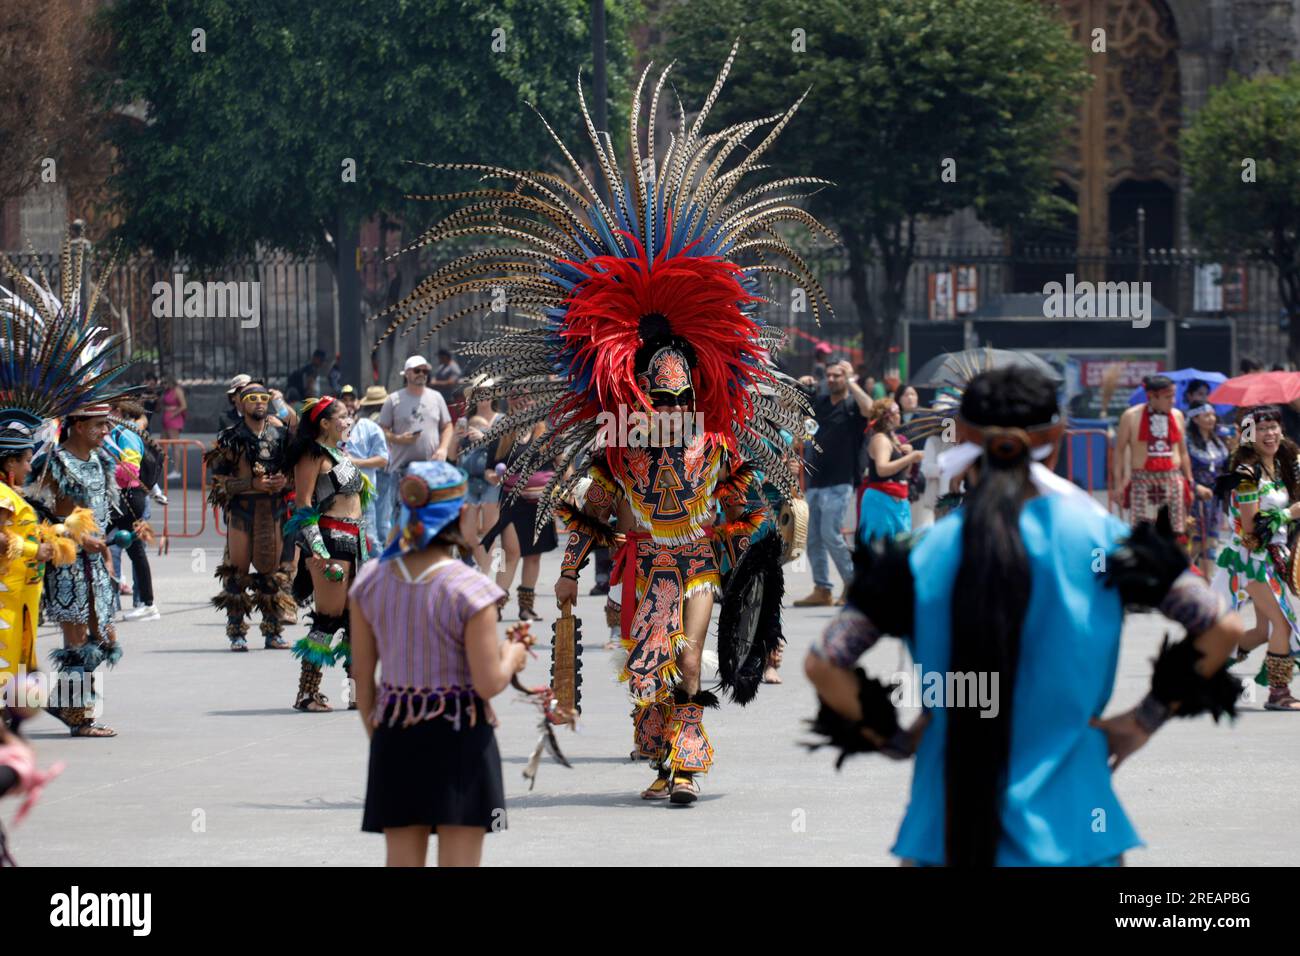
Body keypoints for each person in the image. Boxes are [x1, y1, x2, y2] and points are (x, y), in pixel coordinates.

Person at [377, 49, 828, 803]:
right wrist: (566, 570)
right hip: (646, 566)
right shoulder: (622, 446)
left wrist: (766, 538)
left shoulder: (715, 444)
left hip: (696, 566)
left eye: (681, 400)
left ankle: (683, 763)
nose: (673, 410)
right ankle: (662, 752)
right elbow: (593, 501)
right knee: (650, 664)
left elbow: (745, 501)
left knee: (688, 662)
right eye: (662, 398)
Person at [804, 367, 1245, 865]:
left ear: (964, 437)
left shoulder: (920, 553)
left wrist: (893, 738)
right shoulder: (1107, 542)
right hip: (1077, 832)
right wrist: (1142, 720)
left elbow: (824, 662)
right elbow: (1223, 626)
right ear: (1056, 441)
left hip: (944, 830)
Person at [350, 461, 528, 867]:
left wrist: (383, 740)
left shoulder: (369, 583)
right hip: (460, 737)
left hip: (395, 734)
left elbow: (363, 683)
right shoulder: (471, 589)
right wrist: (512, 655)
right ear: (462, 514)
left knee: (401, 861)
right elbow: (487, 683)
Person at [28, 406, 122, 737]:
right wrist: (80, 537)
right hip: (67, 562)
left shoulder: (99, 459)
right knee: (78, 639)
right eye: (99, 425)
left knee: (107, 639)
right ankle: (78, 717)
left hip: (95, 559)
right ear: (78, 426)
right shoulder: (55, 464)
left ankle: (63, 702)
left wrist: (103, 549)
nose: (106, 431)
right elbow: (43, 517)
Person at [284, 396, 372, 711]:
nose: (348, 421)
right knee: (327, 620)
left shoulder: (340, 454)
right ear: (324, 423)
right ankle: (307, 693)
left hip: (355, 542)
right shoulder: (312, 455)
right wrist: (318, 550)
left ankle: (357, 693)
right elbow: (303, 505)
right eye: (343, 416)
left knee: (355, 620)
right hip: (331, 541)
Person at [1211, 405, 1300, 709]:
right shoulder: (1247, 475)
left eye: (1274, 426)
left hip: (1273, 557)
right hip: (1251, 561)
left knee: (1264, 630)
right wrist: (1290, 512)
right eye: (1262, 429)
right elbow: (1250, 531)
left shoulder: (1283, 463)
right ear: (1250, 435)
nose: (1270, 433)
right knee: (1283, 625)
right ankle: (1279, 693)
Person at [204, 382, 297, 651]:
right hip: (243, 512)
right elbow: (218, 485)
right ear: (241, 404)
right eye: (252, 398)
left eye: (263, 397)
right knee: (236, 574)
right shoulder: (229, 437)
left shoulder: (280, 435)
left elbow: (295, 474)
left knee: (271, 574)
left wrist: (283, 482)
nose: (259, 402)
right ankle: (236, 633)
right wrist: (251, 485)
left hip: (273, 511)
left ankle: (272, 631)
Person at [793, 360, 872, 607]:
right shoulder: (822, 404)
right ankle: (823, 588)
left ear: (846, 377)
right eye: (829, 375)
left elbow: (871, 410)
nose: (832, 379)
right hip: (816, 480)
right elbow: (799, 417)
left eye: (837, 375)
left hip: (841, 480)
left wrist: (852, 381)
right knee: (813, 538)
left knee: (830, 533)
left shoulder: (852, 406)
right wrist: (801, 385)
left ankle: (853, 584)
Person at [484, 407, 556, 622]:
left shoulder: (547, 435)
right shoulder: (503, 435)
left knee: (534, 555)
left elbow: (563, 462)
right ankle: (496, 604)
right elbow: (488, 470)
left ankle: (526, 607)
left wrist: (570, 489)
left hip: (540, 502)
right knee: (511, 551)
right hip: (512, 502)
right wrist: (495, 477)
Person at [1111, 374, 1193, 541]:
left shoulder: (1177, 415)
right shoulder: (1131, 416)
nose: (1173, 401)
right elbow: (1119, 452)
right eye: (1168, 397)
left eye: (1173, 396)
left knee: (1175, 533)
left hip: (1173, 479)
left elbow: (1183, 452)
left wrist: (1189, 479)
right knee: (1143, 534)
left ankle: (1171, 566)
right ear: (1152, 396)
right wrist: (1118, 484)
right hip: (1143, 480)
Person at [378, 355, 454, 531]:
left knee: (430, 520)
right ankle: (400, 557)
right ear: (407, 374)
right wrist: (398, 439)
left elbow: (448, 425)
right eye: (417, 370)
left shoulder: (437, 397)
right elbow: (382, 430)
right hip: (402, 471)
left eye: (425, 371)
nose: (422, 374)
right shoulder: (393, 399)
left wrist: (443, 449)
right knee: (401, 521)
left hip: (431, 468)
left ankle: (428, 557)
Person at [104, 400, 160, 622]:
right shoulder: (117, 433)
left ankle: (148, 604)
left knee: (134, 550)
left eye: (109, 409)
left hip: (128, 497)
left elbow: (131, 470)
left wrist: (102, 467)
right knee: (102, 541)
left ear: (118, 412)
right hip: (120, 496)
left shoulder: (125, 435)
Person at [858, 397, 923, 545]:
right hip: (881, 500)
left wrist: (908, 456)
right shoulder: (881, 439)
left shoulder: (893, 438)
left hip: (897, 498)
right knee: (881, 551)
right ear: (888, 417)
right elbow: (882, 469)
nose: (899, 415)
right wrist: (910, 458)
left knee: (899, 551)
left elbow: (903, 473)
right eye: (897, 412)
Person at [454, 386, 501, 572]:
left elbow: (505, 448)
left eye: (487, 392)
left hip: (492, 479)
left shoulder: (501, 419)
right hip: (468, 480)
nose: (483, 396)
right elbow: (452, 453)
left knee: (491, 532)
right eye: (478, 393)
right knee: (467, 533)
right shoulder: (464, 421)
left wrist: (485, 437)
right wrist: (455, 437)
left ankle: (494, 575)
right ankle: (483, 569)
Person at [340, 385, 389, 557]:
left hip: (364, 493)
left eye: (351, 400)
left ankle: (381, 578)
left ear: (358, 403)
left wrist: (356, 462)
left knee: (370, 539)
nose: (348, 404)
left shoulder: (369, 427)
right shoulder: (332, 428)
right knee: (344, 542)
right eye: (344, 400)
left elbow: (383, 459)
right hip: (339, 496)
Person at [1186, 401, 1229, 579]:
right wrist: (1196, 487)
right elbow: (1182, 470)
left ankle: (1207, 582)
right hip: (1195, 497)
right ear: (1195, 419)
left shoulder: (1218, 440)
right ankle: (1176, 578)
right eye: (1206, 415)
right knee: (1194, 542)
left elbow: (1225, 468)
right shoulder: (1186, 442)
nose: (1212, 419)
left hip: (1215, 499)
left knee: (1211, 542)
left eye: (1213, 415)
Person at [356, 386, 393, 546]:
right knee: (382, 520)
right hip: (382, 470)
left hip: (369, 471)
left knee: (373, 520)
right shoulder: (382, 420)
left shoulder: (361, 420)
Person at [159, 377, 186, 476]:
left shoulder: (177, 390)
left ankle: (176, 470)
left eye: (165, 382)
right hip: (166, 420)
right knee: (162, 445)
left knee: (175, 445)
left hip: (174, 420)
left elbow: (183, 405)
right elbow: (161, 404)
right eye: (162, 383)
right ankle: (160, 467)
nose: (164, 385)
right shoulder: (166, 392)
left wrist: (174, 414)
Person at [431, 348, 463, 415]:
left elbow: (451, 382)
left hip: (451, 400)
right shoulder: (442, 366)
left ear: (445, 356)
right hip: (440, 399)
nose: (439, 358)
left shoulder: (453, 367)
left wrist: (436, 383)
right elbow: (436, 378)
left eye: (440, 356)